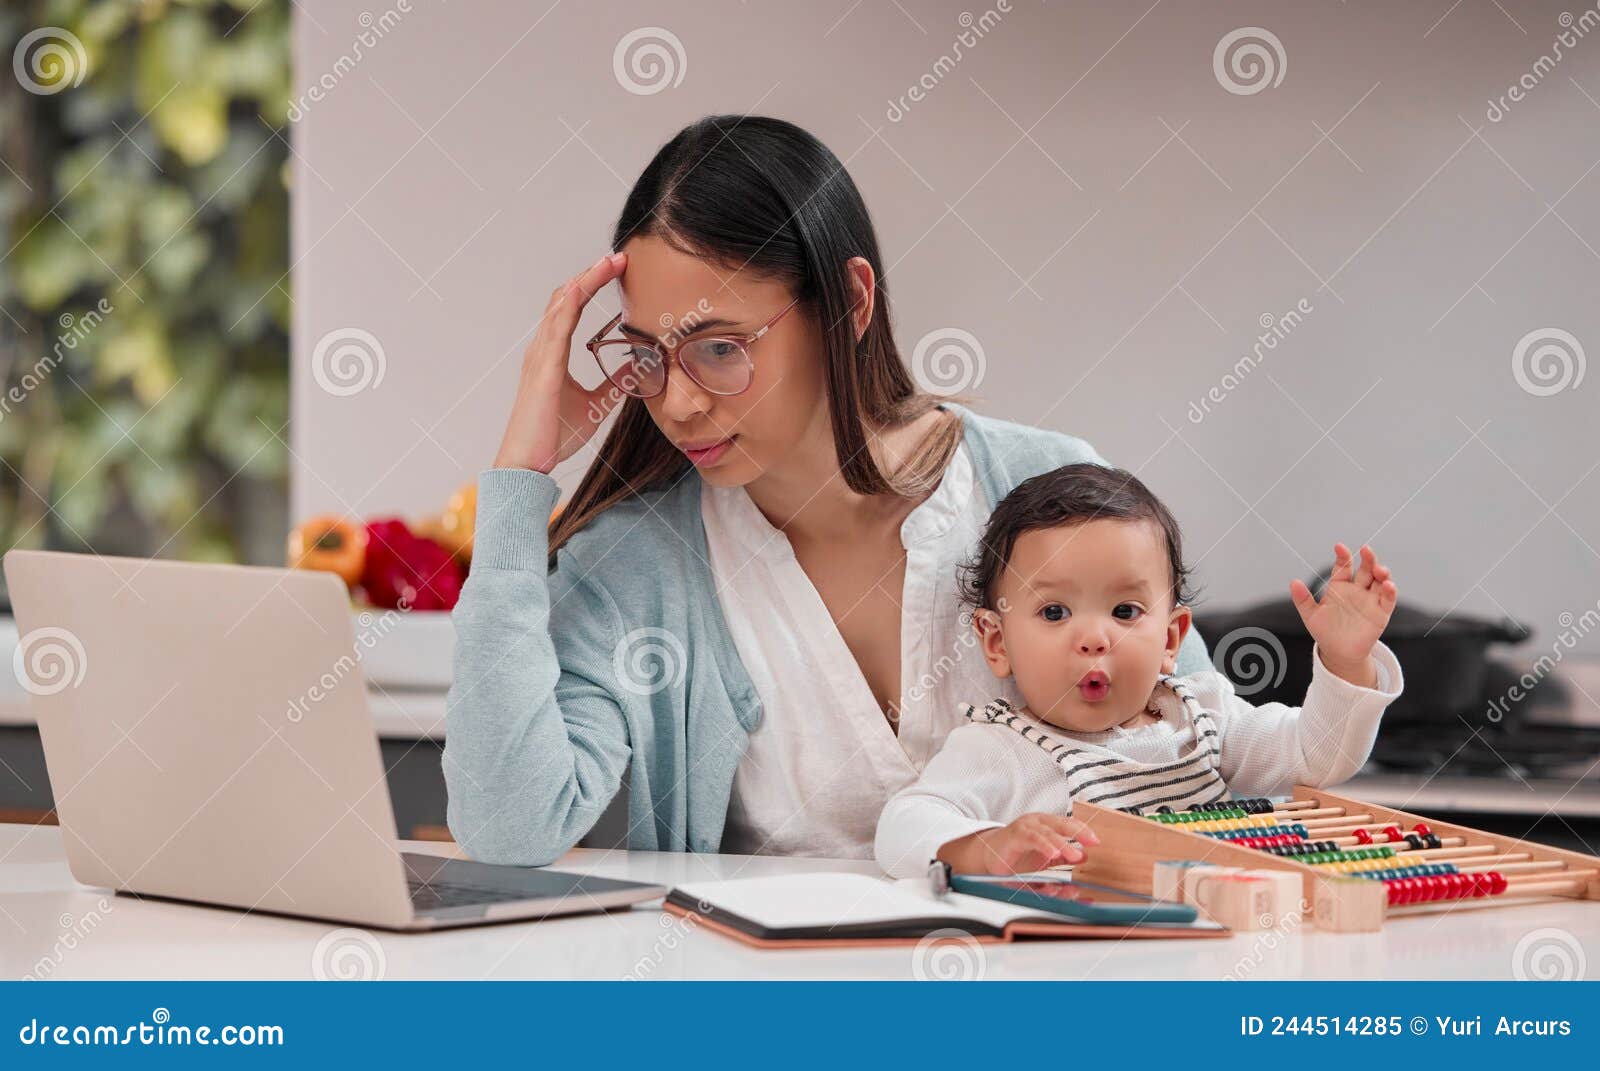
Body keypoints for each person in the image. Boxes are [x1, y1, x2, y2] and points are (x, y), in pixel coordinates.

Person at [443, 116, 1210, 867]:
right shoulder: (637, 565)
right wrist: (520, 474)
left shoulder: (1046, 488)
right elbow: (508, 828)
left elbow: (1213, 765)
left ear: (850, 303)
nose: (676, 404)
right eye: (647, 354)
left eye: (720, 347)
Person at [873, 463, 1403, 879]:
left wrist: (1345, 660)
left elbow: (1318, 755)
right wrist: (986, 846)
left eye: (1124, 611)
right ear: (997, 641)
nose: (1094, 638)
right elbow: (902, 825)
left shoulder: (1204, 716)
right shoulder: (1003, 750)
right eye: (1054, 612)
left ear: (1170, 639)